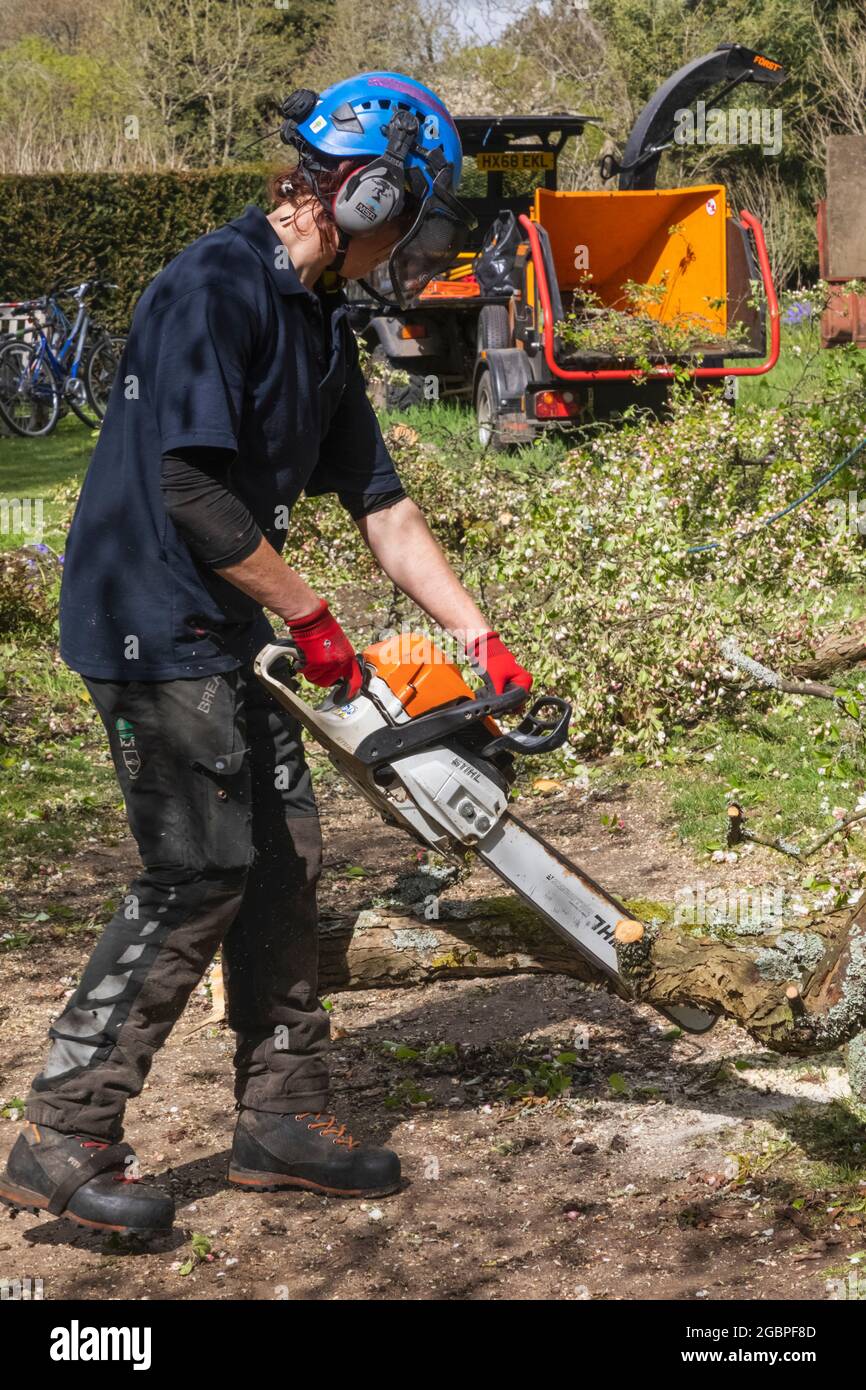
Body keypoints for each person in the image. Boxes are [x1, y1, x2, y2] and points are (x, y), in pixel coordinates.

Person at [0, 72, 533, 1234]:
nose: (417, 244)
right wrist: (310, 614)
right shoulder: (211, 286)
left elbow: (381, 505)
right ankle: (63, 1132)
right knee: (199, 868)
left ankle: (279, 1112)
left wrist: (475, 633)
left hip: (230, 623)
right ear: (365, 193)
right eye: (415, 214)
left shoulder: (321, 321)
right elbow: (183, 483)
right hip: (147, 619)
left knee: (283, 858)